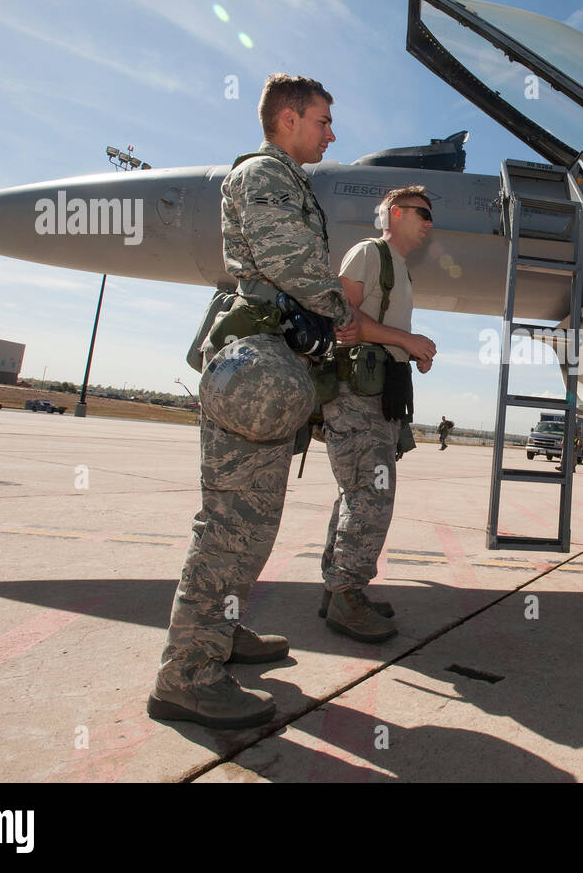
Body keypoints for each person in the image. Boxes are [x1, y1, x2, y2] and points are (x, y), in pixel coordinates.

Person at [148, 73, 358, 730]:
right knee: (228, 526)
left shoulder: (287, 179)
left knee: (255, 521)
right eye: (323, 119)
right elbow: (287, 255)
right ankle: (185, 675)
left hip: (270, 365)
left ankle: (223, 631)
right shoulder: (264, 174)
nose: (331, 131)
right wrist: (339, 306)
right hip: (254, 363)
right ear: (289, 118)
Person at [317, 186, 436, 642]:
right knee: (371, 493)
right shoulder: (370, 253)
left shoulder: (400, 269)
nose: (429, 223)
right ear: (395, 213)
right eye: (422, 214)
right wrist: (406, 341)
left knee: (356, 493)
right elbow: (344, 320)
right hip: (356, 393)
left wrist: (411, 352)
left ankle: (338, 592)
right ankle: (346, 593)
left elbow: (377, 330)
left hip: (381, 390)